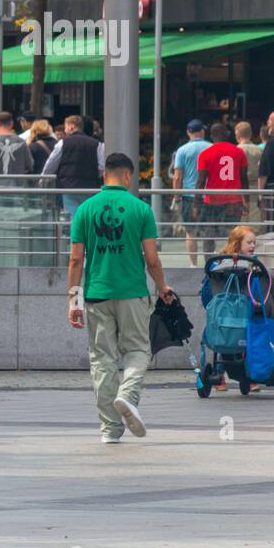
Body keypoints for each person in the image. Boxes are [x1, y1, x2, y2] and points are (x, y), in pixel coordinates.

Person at [68, 153, 173, 443]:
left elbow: (76, 260)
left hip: (96, 294)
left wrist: (74, 300)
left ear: (105, 175)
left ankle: (110, 429)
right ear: (128, 176)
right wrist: (162, 286)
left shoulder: (85, 210)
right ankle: (127, 395)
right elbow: (152, 259)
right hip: (133, 293)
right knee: (138, 350)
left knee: (102, 360)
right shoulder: (141, 209)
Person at [196, 121, 249, 253]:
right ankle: (232, 261)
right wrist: (246, 200)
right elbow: (244, 179)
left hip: (212, 201)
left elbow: (201, 181)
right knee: (233, 234)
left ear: (211, 136)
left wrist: (196, 204)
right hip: (234, 201)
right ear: (226, 135)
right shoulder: (239, 152)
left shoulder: (205, 154)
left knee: (209, 234)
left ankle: (210, 262)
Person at [43, 115, 104, 218]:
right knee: (88, 217)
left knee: (73, 218)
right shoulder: (97, 144)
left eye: (66, 127)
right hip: (90, 188)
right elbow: (102, 167)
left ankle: (75, 233)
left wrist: (43, 177)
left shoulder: (63, 143)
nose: (65, 130)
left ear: (71, 127)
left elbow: (50, 165)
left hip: (68, 187)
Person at [171, 119, 212, 268]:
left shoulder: (182, 150)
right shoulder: (211, 147)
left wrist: (176, 197)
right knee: (209, 231)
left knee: (190, 232)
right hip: (208, 195)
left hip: (188, 195)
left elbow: (177, 176)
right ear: (202, 131)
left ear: (188, 132)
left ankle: (193, 265)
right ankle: (210, 263)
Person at [235, 121, 264, 224]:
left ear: (237, 135)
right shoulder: (259, 150)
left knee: (240, 223)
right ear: (251, 134)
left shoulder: (235, 150)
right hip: (256, 187)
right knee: (256, 222)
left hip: (240, 190)